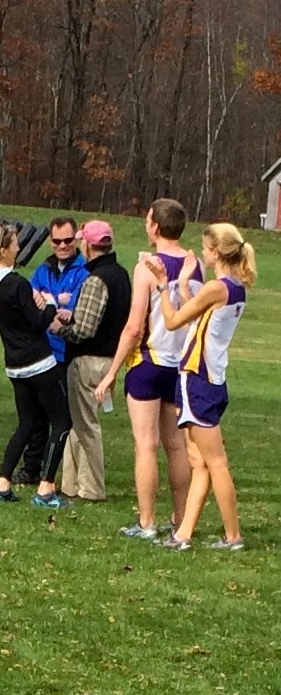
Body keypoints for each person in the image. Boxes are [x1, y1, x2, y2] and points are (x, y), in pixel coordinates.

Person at [95, 198, 201, 539]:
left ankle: (147, 522)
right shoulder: (194, 264)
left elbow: (134, 326)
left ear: (155, 226)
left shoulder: (147, 267)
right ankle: (180, 520)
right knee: (176, 446)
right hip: (180, 363)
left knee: (145, 444)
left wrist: (111, 373)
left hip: (148, 361)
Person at [149, 223, 255, 551]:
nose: (203, 252)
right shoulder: (232, 287)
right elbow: (199, 316)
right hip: (206, 378)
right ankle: (183, 534)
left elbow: (173, 321)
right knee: (198, 462)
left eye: (206, 247)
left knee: (215, 461)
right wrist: (183, 283)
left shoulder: (216, 288)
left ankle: (233, 536)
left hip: (199, 380)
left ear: (215, 252)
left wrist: (163, 287)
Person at [0, 223, 72, 508]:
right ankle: (46, 488)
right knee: (62, 422)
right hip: (39, 362)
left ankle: (3, 483)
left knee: (27, 423)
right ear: (4, 249)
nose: (19, 248)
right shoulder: (17, 284)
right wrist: (52, 303)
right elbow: (38, 322)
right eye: (15, 244)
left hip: (14, 363)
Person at [53, 221, 132, 502]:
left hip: (87, 360)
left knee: (86, 426)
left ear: (87, 245)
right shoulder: (122, 275)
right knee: (79, 422)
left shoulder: (95, 279)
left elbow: (84, 330)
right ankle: (70, 484)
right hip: (109, 359)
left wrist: (58, 327)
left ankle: (92, 489)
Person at [18, 216, 89, 484]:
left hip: (65, 354)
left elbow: (77, 315)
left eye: (67, 240)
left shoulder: (84, 272)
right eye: (57, 241)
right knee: (35, 417)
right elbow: (33, 307)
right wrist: (54, 307)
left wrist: (53, 307)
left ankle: (54, 471)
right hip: (40, 351)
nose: (62, 246)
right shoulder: (42, 270)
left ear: (76, 240)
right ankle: (30, 469)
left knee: (60, 418)